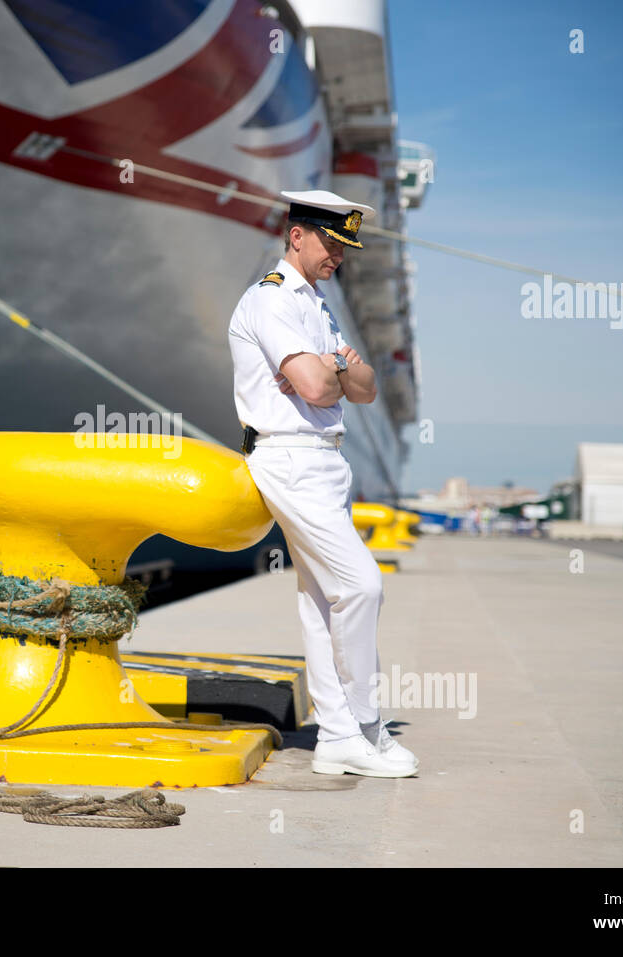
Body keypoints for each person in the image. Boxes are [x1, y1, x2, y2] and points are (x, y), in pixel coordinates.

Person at [228, 189, 418, 778]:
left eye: (345, 246)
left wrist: (329, 368)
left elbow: (364, 390)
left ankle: (338, 737)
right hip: (289, 458)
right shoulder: (271, 301)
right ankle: (361, 725)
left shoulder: (318, 306)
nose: (339, 255)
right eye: (332, 242)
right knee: (361, 586)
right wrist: (335, 366)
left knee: (319, 603)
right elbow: (317, 388)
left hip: (325, 461)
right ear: (297, 235)